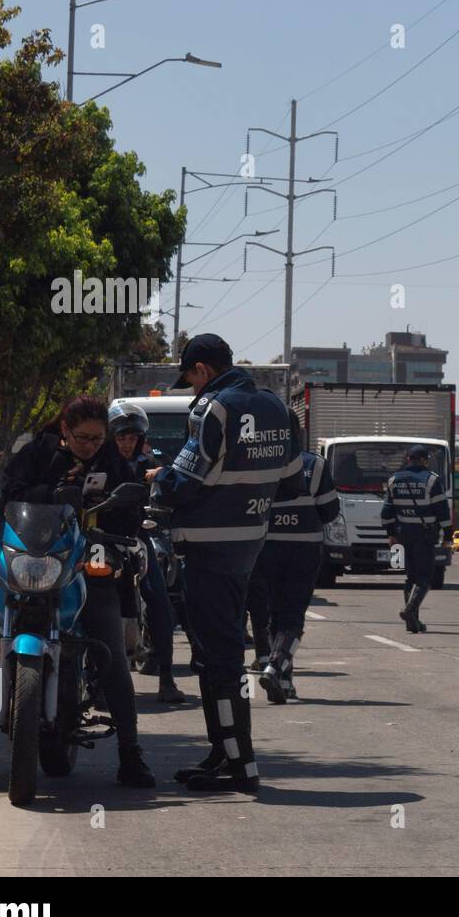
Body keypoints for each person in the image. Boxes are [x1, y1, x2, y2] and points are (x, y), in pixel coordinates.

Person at [0, 396, 156, 787]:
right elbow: (8, 493)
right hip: (31, 560)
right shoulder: (37, 453)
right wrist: (56, 490)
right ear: (65, 430)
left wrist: (112, 515)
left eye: (98, 439)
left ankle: (131, 754)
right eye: (83, 438)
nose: (92, 445)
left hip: (84, 569)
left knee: (110, 646)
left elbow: (130, 508)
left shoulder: (112, 461)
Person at [153, 334, 301, 794]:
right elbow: (293, 482)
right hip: (248, 549)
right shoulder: (278, 407)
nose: (193, 388)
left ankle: (240, 764)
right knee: (223, 654)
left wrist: (157, 484)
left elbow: (185, 482)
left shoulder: (211, 409)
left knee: (219, 662)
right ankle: (225, 753)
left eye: (191, 378)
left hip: (206, 550)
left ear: (201, 369)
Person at [251, 413, 340, 704]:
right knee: (292, 616)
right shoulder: (314, 464)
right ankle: (276, 666)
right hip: (303, 551)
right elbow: (329, 511)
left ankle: (285, 682)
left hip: (265, 549)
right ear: (297, 431)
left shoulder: (257, 461)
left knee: (276, 612)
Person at [108, 401, 185, 704]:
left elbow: (173, 488)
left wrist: (162, 478)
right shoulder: (101, 463)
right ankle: (95, 680)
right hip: (104, 540)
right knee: (96, 601)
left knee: (159, 601)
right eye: (121, 438)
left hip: (138, 537)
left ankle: (166, 677)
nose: (127, 444)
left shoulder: (151, 463)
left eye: (131, 438)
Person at [382, 444, 451, 633]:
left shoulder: (394, 480)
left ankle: (412, 622)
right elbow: (442, 512)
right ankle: (409, 611)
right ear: (424, 460)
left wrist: (391, 534)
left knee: (410, 577)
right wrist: (448, 536)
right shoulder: (431, 481)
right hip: (425, 534)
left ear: (407, 459)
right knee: (424, 578)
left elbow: (387, 511)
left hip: (403, 533)